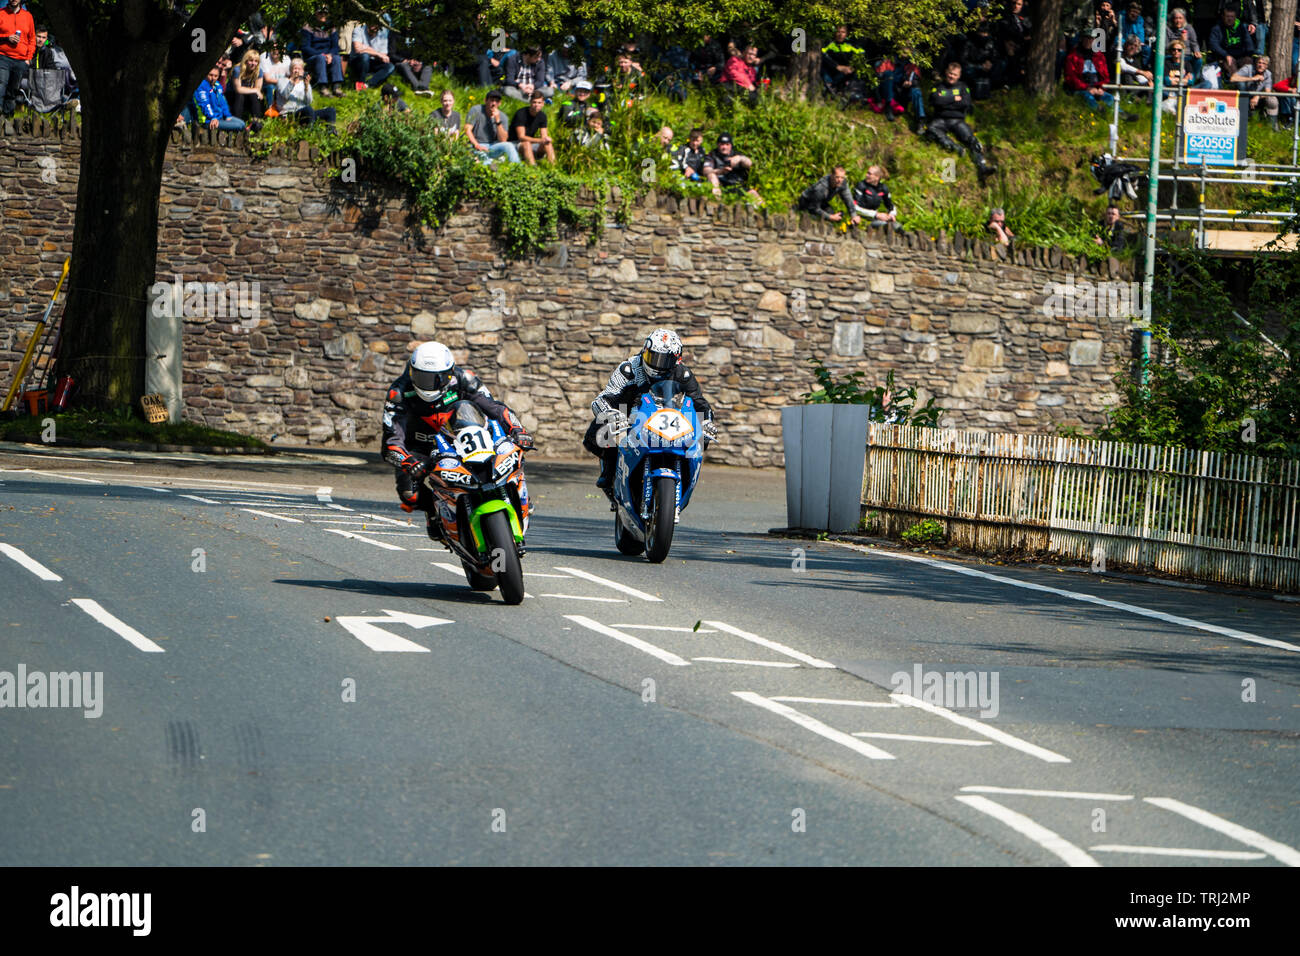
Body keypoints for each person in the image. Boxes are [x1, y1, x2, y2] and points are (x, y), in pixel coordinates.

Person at [382, 341, 532, 529]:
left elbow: (495, 408)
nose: (428, 386)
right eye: (422, 378)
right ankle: (434, 511)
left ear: (449, 374)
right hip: (420, 448)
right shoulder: (399, 392)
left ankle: (517, 497)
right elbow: (391, 442)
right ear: (411, 372)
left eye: (436, 379)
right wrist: (409, 462)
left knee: (505, 457)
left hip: (459, 438)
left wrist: (518, 430)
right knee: (409, 494)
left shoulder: (465, 379)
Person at [582, 328, 715, 499]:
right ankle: (609, 471)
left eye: (663, 360)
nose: (656, 364)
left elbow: (700, 403)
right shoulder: (629, 369)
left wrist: (706, 422)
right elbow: (603, 398)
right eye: (652, 356)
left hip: (667, 416)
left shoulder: (682, 373)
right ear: (644, 351)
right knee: (599, 433)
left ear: (676, 360)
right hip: (628, 414)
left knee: (702, 438)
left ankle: (685, 474)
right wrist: (611, 414)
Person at [927, 61, 995, 180]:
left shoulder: (963, 87)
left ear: (959, 76)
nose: (951, 76)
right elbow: (935, 101)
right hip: (940, 119)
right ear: (946, 72)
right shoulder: (937, 86)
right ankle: (956, 148)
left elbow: (966, 103)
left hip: (957, 120)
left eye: (954, 74)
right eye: (950, 73)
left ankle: (982, 167)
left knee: (972, 140)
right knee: (931, 129)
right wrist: (954, 99)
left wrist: (945, 100)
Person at [275, 58, 336, 130]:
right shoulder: (282, 81)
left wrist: (306, 87)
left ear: (303, 71)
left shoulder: (304, 83)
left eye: (299, 69)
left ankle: (331, 132)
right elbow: (285, 95)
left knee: (330, 111)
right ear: (290, 70)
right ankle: (310, 132)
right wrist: (292, 82)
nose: (296, 71)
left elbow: (308, 101)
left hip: (305, 112)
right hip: (290, 113)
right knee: (308, 109)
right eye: (295, 68)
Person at [703, 132, 762, 203]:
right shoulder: (712, 155)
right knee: (711, 175)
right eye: (722, 144)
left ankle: (764, 211)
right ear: (718, 145)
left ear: (731, 145)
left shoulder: (737, 155)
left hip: (736, 186)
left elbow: (750, 164)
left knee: (753, 193)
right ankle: (718, 203)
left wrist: (740, 158)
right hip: (721, 186)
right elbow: (706, 171)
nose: (724, 147)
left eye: (727, 144)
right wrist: (720, 171)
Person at [464, 88, 520, 163]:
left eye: (496, 101)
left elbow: (503, 140)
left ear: (499, 103)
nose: (494, 103)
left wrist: (498, 121)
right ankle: (490, 168)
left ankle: (516, 168)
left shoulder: (503, 117)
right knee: (484, 158)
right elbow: (467, 129)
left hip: (493, 146)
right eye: (491, 100)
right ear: (486, 100)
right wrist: (476, 145)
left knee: (509, 145)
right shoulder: (476, 110)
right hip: (476, 145)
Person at [0, 0, 34, 121]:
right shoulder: (1, 14)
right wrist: (6, 38)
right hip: (3, 56)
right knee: (1, 83)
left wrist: (29, 57)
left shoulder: (28, 16)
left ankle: (8, 117)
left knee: (13, 89)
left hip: (20, 59)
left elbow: (32, 38)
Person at [300, 8, 344, 98]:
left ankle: (336, 87)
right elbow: (305, 47)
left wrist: (330, 55)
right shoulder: (307, 28)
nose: (323, 14)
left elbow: (335, 47)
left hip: (328, 55)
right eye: (320, 12)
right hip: (313, 57)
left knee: (336, 58)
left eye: (325, 13)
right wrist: (322, 55)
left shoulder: (331, 28)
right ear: (315, 14)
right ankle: (323, 87)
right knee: (320, 58)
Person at [1230, 53, 1279, 129]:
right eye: (1259, 62)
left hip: (1256, 99)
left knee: (1272, 100)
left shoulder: (1268, 74)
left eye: (1264, 63)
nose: (1261, 65)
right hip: (1243, 96)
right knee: (1240, 84)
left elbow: (1268, 92)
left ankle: (1272, 127)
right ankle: (1241, 117)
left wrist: (1258, 96)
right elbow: (1233, 78)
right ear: (1256, 63)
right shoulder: (1248, 68)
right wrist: (1252, 78)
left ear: (1266, 66)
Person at [194, 64, 245, 132]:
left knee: (242, 124)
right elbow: (205, 105)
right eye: (210, 75)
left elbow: (223, 103)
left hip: (220, 117)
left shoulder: (218, 85)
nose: (213, 78)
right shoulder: (201, 86)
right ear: (206, 74)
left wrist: (227, 115)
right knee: (239, 126)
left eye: (216, 76)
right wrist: (213, 118)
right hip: (208, 120)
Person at [512, 89, 555, 164]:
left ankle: (553, 167)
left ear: (543, 104)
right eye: (534, 102)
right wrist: (540, 140)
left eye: (539, 103)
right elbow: (521, 137)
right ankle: (533, 169)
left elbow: (544, 136)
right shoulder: (521, 114)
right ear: (530, 102)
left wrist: (546, 139)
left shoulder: (542, 116)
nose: (536, 105)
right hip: (515, 143)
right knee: (526, 144)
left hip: (530, 142)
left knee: (547, 143)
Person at [227, 50, 265, 130]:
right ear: (246, 61)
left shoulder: (259, 71)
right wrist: (255, 90)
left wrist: (255, 91)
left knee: (255, 96)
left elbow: (258, 89)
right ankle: (237, 123)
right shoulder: (238, 70)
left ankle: (257, 122)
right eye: (251, 60)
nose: (253, 63)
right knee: (240, 95)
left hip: (248, 96)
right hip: (232, 95)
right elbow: (238, 89)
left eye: (256, 61)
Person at [351, 21, 394, 89]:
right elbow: (358, 49)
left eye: (376, 26)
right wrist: (376, 53)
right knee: (365, 56)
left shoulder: (383, 32)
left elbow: (384, 55)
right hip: (358, 60)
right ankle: (360, 82)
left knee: (390, 66)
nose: (374, 27)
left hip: (374, 61)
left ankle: (367, 84)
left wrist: (365, 48)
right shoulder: (359, 29)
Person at [1208, 6, 1252, 73]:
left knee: (1249, 61)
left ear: (1235, 17)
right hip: (1224, 57)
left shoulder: (1241, 27)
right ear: (1223, 16)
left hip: (1240, 56)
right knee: (1231, 64)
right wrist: (1225, 55)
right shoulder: (1216, 29)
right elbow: (1214, 45)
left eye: (1232, 17)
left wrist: (1250, 53)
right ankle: (1238, 82)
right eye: (1227, 16)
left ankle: (1249, 82)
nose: (1230, 19)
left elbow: (1248, 41)